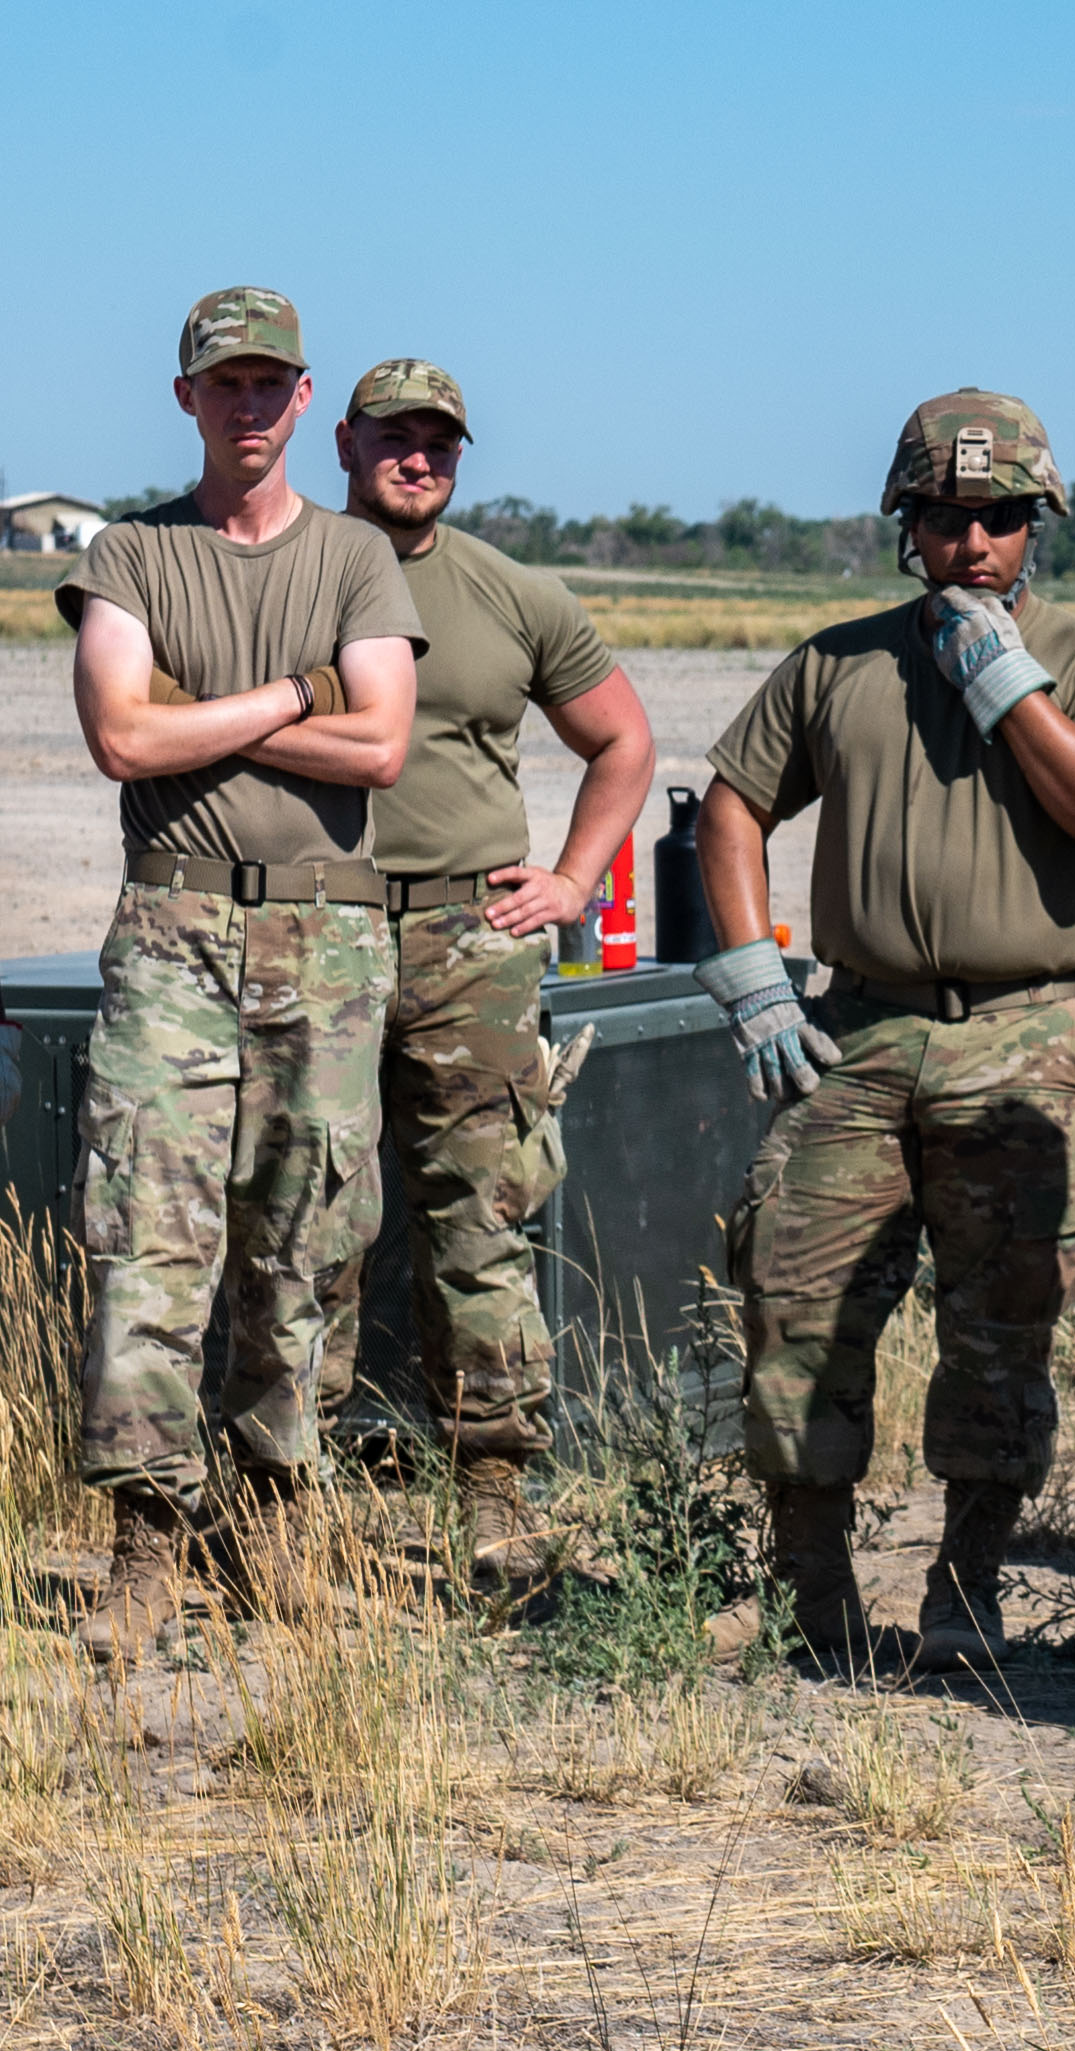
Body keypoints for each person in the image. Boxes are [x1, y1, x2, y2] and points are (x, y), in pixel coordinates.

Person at [688, 391, 1075, 1673]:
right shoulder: (839, 661)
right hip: (858, 1029)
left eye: (1001, 519)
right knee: (795, 1298)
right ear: (907, 524)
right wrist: (754, 976)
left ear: (1037, 524)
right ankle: (814, 1591)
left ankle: (966, 1584)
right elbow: (730, 807)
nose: (974, 545)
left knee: (1002, 1327)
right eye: (947, 519)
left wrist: (1006, 683)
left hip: (1025, 1034)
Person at [57, 287, 422, 1656]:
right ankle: (146, 1544)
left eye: (271, 383)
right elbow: (121, 740)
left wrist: (200, 717)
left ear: (304, 397)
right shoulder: (131, 553)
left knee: (305, 1236)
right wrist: (293, 694)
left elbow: (381, 746)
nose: (250, 405)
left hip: (328, 939)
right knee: (146, 1235)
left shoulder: (356, 559)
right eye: (227, 383)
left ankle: (272, 1526)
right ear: (188, 399)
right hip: (174, 928)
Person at [318, 358, 657, 1585]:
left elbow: (623, 741)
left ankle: (493, 1489)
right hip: (316, 934)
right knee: (308, 1220)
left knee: (481, 1218)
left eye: (440, 443)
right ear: (344, 444)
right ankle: (286, 1495)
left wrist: (570, 881)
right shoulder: (290, 572)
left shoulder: (513, 594)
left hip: (471, 947)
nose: (418, 459)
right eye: (394, 438)